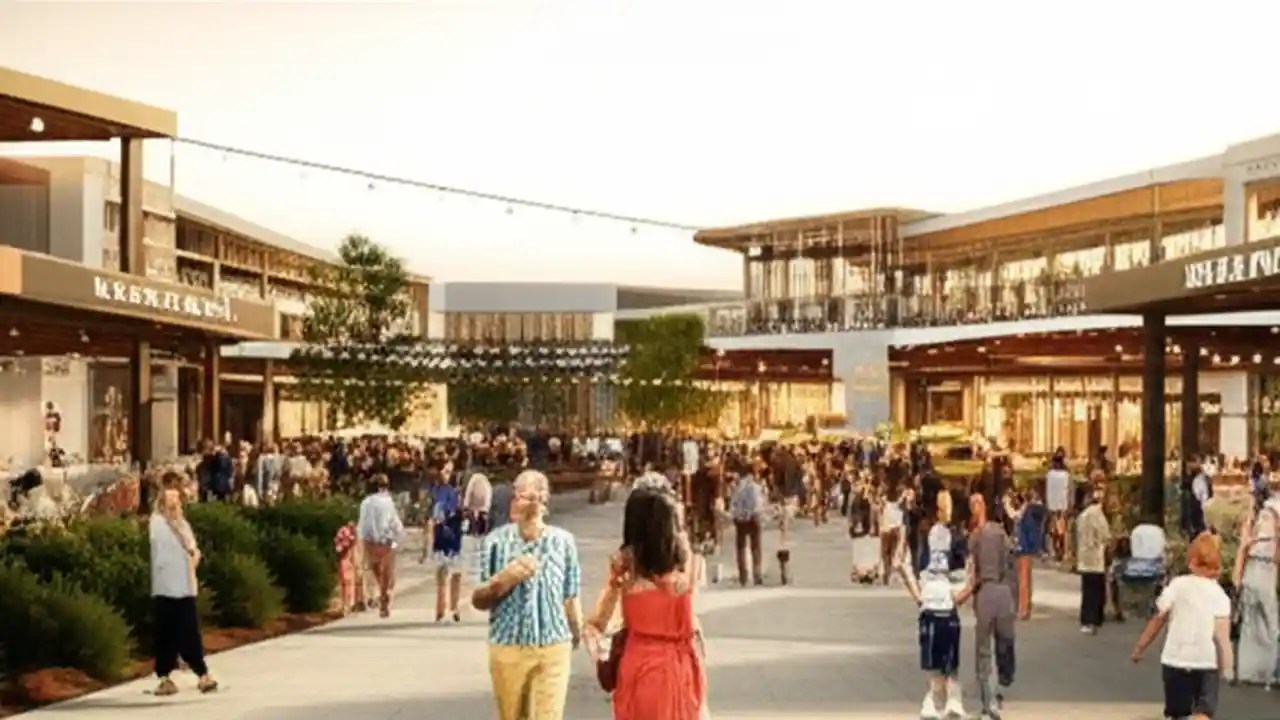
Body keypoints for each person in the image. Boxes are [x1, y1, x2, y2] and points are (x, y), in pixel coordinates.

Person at [584, 487, 706, 720]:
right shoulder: (689, 568)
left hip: (637, 665)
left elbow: (595, 623)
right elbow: (692, 626)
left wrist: (599, 654)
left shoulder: (625, 573)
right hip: (679, 668)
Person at [472, 470, 583, 720]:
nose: (531, 504)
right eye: (524, 497)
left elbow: (571, 595)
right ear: (514, 500)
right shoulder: (495, 542)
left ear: (546, 501)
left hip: (553, 645)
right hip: (508, 646)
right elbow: (478, 599)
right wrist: (502, 581)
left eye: (537, 497)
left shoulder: (563, 542)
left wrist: (577, 631)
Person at [1132, 532, 1234, 720]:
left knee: (1177, 712)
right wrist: (1227, 666)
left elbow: (1158, 618)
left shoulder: (1177, 585)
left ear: (1191, 561)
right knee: (1203, 711)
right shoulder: (1220, 596)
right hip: (1205, 661)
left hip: (1175, 658)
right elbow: (1222, 637)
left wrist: (1140, 646)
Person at [150, 473, 218, 696]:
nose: (175, 507)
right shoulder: (158, 524)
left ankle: (203, 674)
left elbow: (193, 549)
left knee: (189, 632)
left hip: (185, 588)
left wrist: (193, 557)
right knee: (165, 635)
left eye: (177, 503)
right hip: (165, 588)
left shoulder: (183, 525)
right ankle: (165, 677)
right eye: (170, 504)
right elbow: (160, 550)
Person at [957, 493, 1016, 719]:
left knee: (992, 647)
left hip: (990, 592)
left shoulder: (978, 536)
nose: (976, 507)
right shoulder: (992, 533)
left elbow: (972, 571)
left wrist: (964, 594)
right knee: (995, 645)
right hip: (994, 592)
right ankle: (990, 697)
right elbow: (1009, 561)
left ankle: (993, 694)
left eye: (978, 503)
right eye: (974, 503)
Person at [901, 534, 967, 719]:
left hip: (940, 608)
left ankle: (950, 699)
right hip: (935, 608)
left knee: (946, 662)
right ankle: (938, 700)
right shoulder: (923, 546)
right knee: (938, 664)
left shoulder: (951, 545)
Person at [1231, 486, 1279, 688]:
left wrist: (1237, 574)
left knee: (1253, 619)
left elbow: (1243, 547)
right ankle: (1267, 669)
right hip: (1265, 568)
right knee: (1268, 619)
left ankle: (1250, 670)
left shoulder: (1259, 518)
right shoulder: (1270, 516)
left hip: (1256, 567)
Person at [357, 473, 405, 618]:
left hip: (371, 541)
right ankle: (385, 595)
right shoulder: (388, 501)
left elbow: (364, 524)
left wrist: (363, 540)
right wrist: (398, 539)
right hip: (389, 540)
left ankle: (383, 594)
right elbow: (395, 522)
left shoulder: (365, 502)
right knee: (387, 571)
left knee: (376, 569)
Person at [425, 475, 465, 623]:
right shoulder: (457, 498)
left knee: (443, 576)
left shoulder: (436, 496)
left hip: (442, 538)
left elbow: (430, 520)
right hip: (453, 539)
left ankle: (441, 609)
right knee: (454, 575)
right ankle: (453, 608)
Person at [1076, 487, 1111, 634]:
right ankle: (1094, 618)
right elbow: (1104, 535)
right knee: (1096, 590)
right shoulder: (1097, 514)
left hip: (1084, 556)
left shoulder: (1083, 515)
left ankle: (1086, 618)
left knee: (1087, 590)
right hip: (1096, 556)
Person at [729, 465, 766, 586]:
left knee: (741, 548)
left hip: (740, 520)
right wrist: (750, 513)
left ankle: (743, 576)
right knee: (755, 547)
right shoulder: (755, 487)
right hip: (754, 518)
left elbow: (733, 504)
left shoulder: (737, 487)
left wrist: (738, 515)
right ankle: (757, 574)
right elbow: (757, 503)